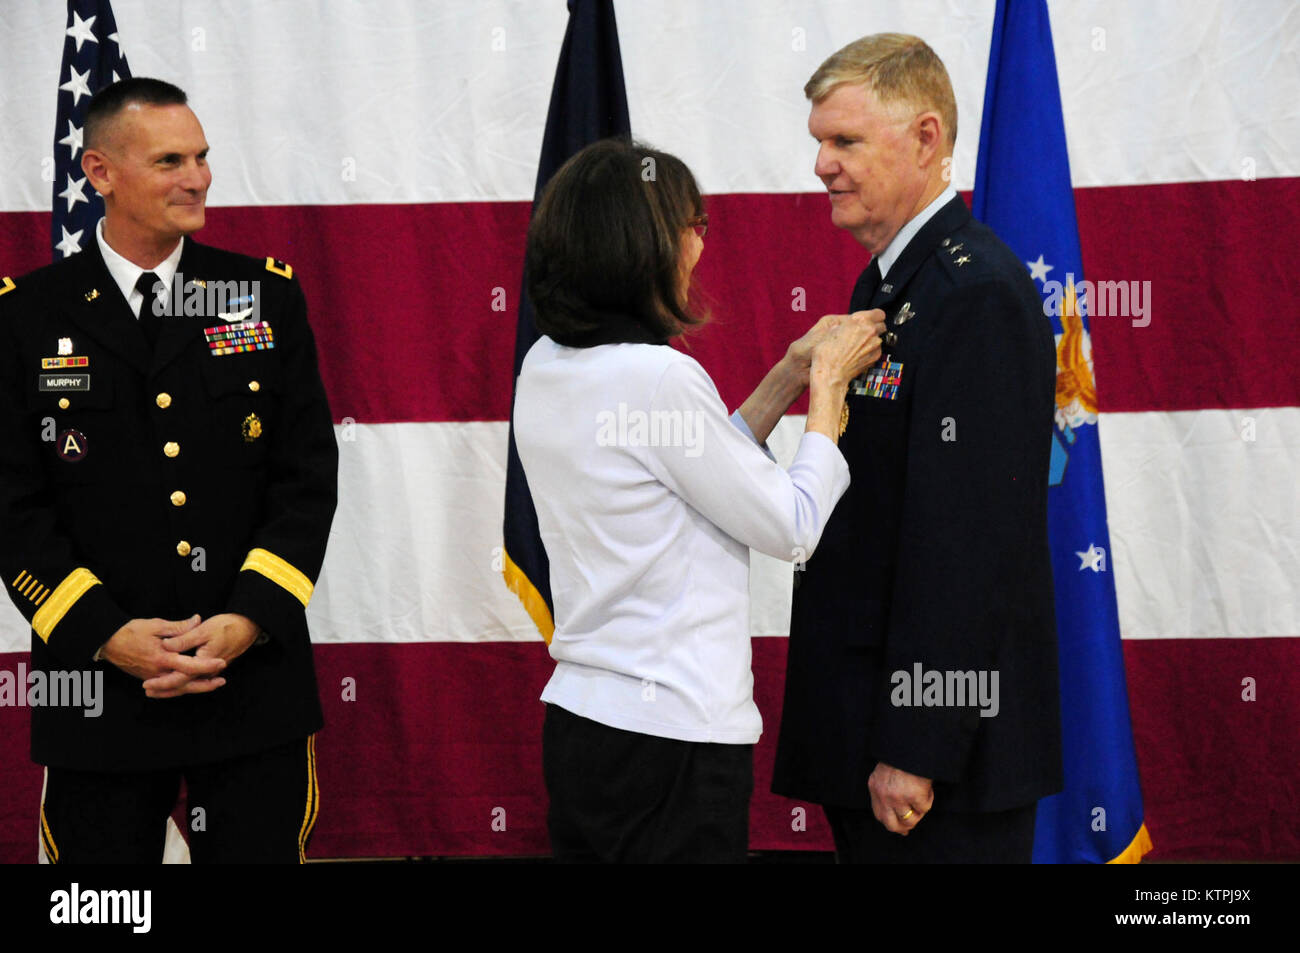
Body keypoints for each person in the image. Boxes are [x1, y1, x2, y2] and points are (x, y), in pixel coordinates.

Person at [513, 138, 884, 863]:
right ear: (639, 242)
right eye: (690, 223)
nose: (700, 241)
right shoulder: (659, 378)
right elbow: (792, 523)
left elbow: (692, 473)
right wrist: (831, 386)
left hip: (585, 727)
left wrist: (787, 374)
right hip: (674, 744)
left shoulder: (546, 363)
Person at [0, 78, 337, 863]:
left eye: (203, 157)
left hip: (248, 679)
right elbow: (12, 505)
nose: (198, 177)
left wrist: (248, 619)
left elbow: (306, 478)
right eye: (170, 160)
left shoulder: (260, 296)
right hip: (97, 684)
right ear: (100, 172)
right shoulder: (25, 317)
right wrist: (104, 633)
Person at [771, 34, 1064, 863]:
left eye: (846, 141)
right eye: (819, 142)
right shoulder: (892, 284)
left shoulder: (973, 295)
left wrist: (919, 744)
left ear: (927, 138)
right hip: (872, 722)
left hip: (937, 761)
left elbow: (969, 546)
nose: (822, 164)